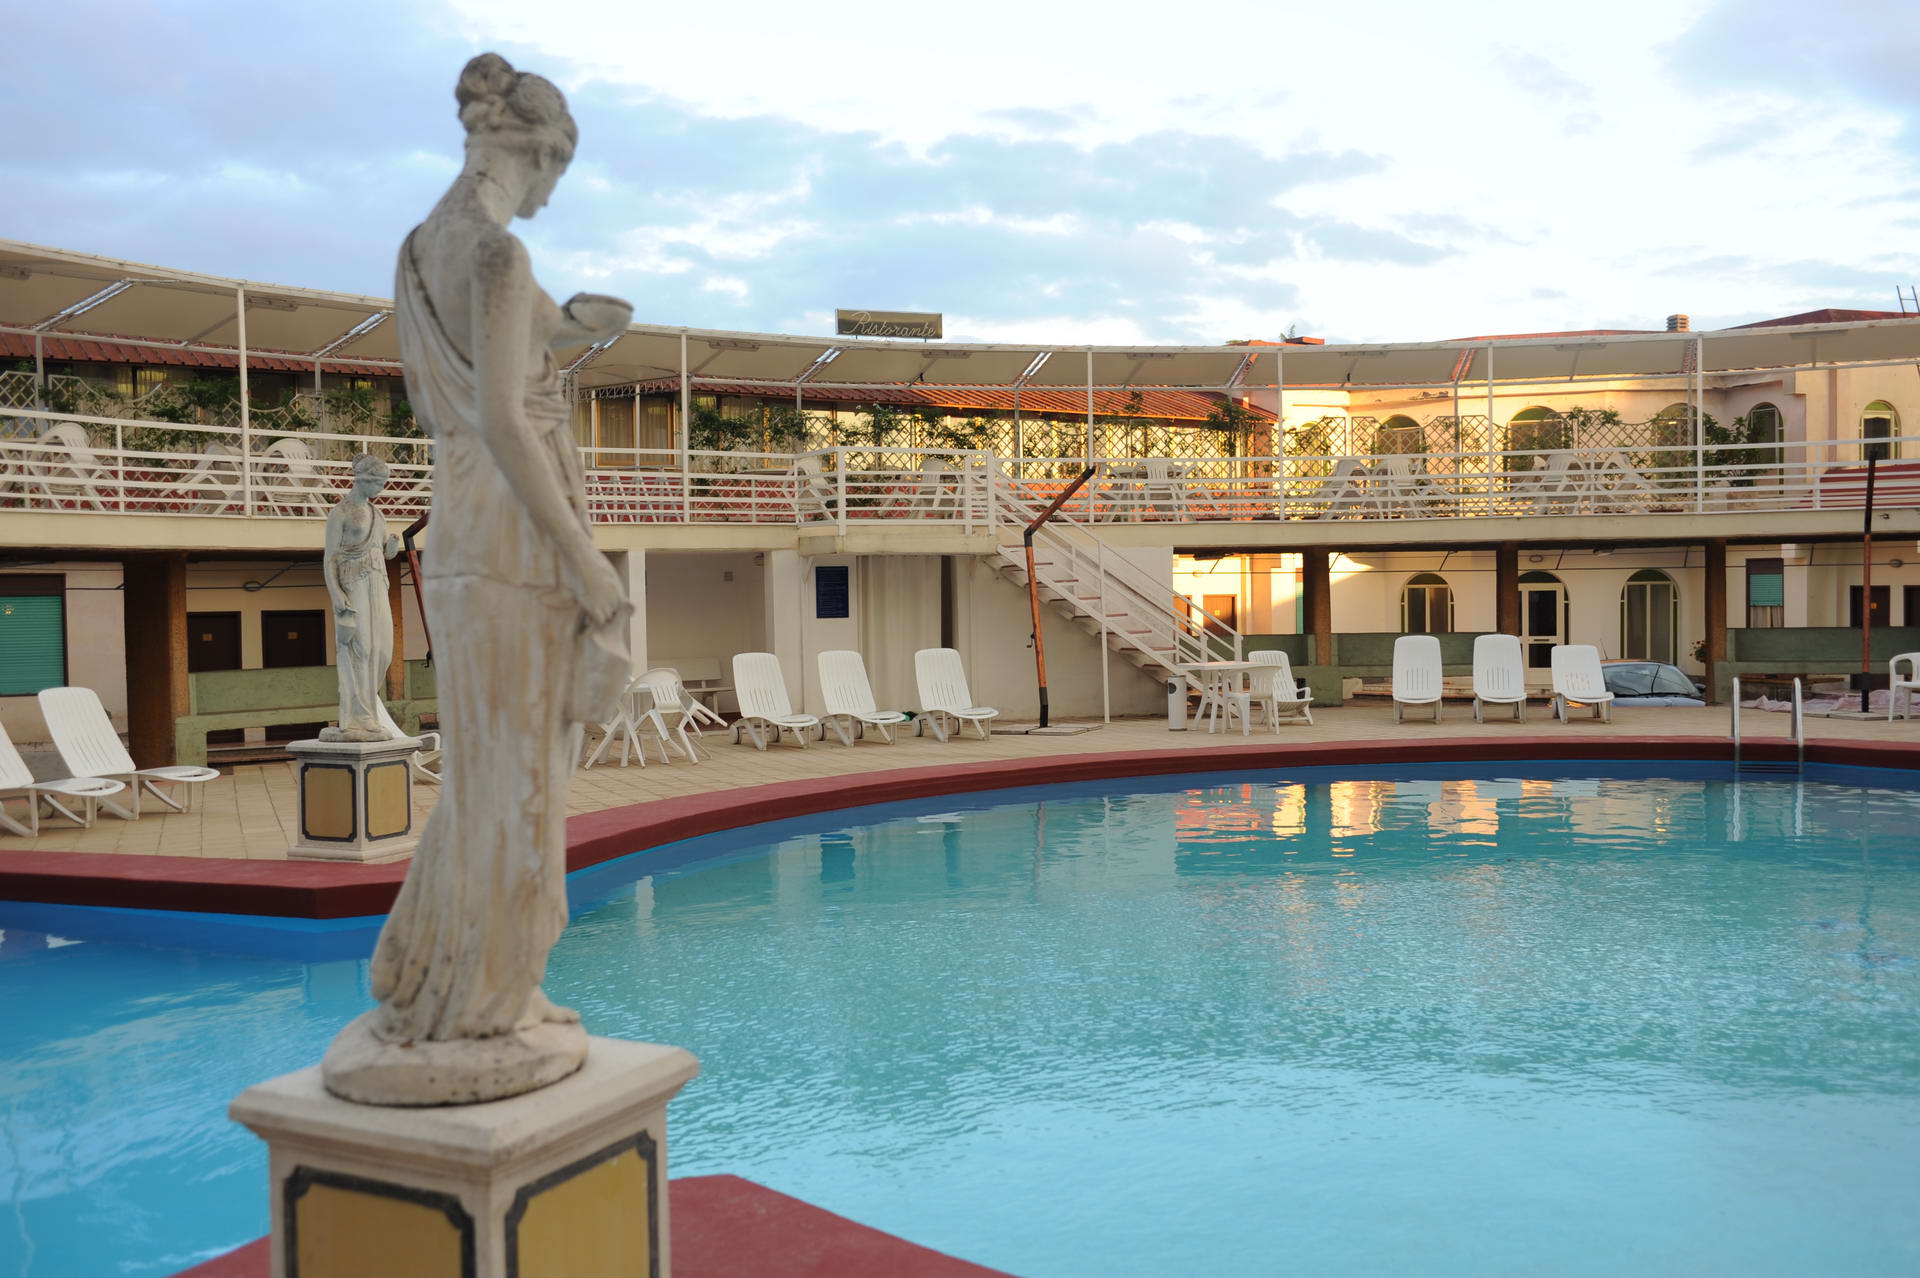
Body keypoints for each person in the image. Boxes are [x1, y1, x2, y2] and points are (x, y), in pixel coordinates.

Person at [324, 52, 633, 1104]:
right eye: (555, 174)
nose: (552, 196)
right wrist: (587, 562)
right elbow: (504, 417)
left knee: (489, 778)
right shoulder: (495, 254)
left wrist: (569, 328)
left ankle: (439, 982)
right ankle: (482, 999)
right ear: (534, 150)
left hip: (461, 526)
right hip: (513, 532)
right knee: (522, 784)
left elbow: (484, 370)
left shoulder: (422, 250)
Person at [320, 453, 406, 742]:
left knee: (383, 649)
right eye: (379, 483)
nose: (382, 489)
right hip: (353, 582)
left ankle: (369, 709)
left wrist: (392, 545)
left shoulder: (377, 514)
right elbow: (330, 559)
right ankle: (360, 716)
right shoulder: (341, 513)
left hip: (377, 583)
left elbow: (385, 552)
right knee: (362, 648)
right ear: (363, 480)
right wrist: (336, 595)